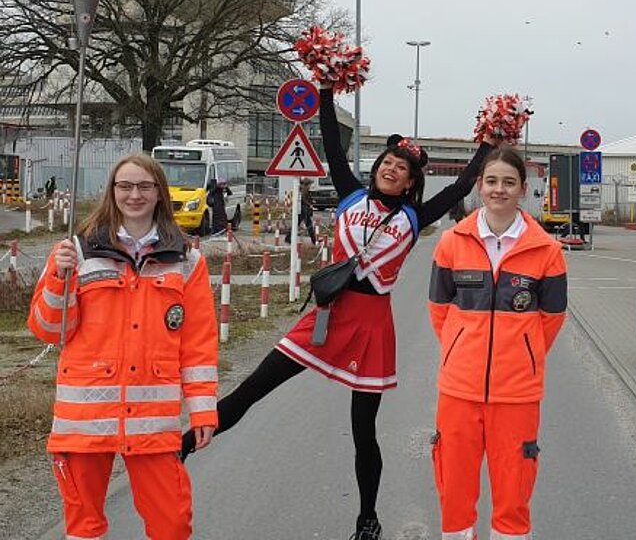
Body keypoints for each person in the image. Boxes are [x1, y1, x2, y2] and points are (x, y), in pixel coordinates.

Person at [180, 86, 500, 540]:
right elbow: (331, 144)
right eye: (387, 162)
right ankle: (183, 446)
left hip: (371, 327)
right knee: (253, 387)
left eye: (401, 168)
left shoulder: (415, 216)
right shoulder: (351, 195)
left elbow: (462, 186)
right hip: (327, 316)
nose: (391, 169)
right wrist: (327, 90)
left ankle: (367, 519)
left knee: (364, 431)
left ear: (411, 181)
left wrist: (487, 142)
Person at [27, 154, 219, 540]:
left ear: (159, 194)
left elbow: (197, 343)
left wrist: (202, 411)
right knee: (84, 527)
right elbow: (49, 330)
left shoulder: (186, 260)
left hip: (153, 419)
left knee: (172, 525)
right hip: (85, 417)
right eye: (125, 186)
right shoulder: (76, 252)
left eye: (145, 186)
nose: (135, 195)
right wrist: (59, 280)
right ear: (112, 192)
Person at [427, 147, 568, 540]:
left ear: (523, 189)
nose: (499, 190)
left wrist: (521, 355)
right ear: (479, 186)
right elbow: (439, 309)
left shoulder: (548, 251)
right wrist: (462, 349)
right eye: (492, 181)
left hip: (517, 393)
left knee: (513, 491)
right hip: (458, 389)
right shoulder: (452, 242)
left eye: (509, 182)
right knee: (454, 487)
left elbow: (551, 320)